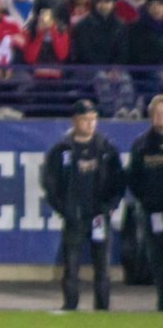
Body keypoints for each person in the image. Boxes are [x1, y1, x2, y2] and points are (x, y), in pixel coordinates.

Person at [42, 100, 125, 311]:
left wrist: (109, 207)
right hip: (74, 216)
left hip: (99, 216)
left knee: (103, 268)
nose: (90, 123)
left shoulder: (106, 149)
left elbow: (119, 182)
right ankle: (70, 306)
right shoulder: (61, 150)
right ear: (75, 120)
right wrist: (65, 209)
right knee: (71, 266)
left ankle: (102, 308)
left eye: (93, 119)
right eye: (85, 119)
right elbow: (50, 184)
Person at [127, 95, 163, 311]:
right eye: (158, 113)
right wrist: (146, 201)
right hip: (152, 211)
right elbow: (133, 177)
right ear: (151, 116)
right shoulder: (142, 144)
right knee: (157, 258)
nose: (161, 117)